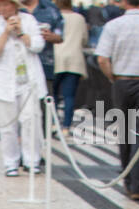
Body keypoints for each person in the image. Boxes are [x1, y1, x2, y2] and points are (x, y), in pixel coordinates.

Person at [96, 0, 139, 201]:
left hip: (122, 81)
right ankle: (137, 184)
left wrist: (113, 77)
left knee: (125, 132)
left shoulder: (113, 26)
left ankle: (128, 178)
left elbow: (102, 58)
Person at [0, 0, 46, 174]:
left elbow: (38, 45)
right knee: (7, 125)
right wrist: (5, 33)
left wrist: (20, 32)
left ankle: (31, 160)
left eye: (7, 5)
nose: (3, 9)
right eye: (0, 6)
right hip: (4, 82)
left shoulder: (29, 20)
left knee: (31, 121)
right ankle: (10, 162)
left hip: (28, 81)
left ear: (15, 6)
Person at [52, 0, 87, 129]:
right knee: (69, 96)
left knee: (52, 95)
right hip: (74, 59)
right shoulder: (79, 18)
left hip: (55, 58)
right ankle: (66, 126)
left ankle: (52, 122)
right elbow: (84, 39)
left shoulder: (54, 16)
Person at [20, 0, 62, 88]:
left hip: (44, 68)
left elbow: (60, 37)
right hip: (17, 69)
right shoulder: (12, 7)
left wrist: (51, 36)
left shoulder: (51, 9)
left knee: (45, 100)